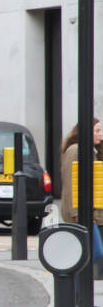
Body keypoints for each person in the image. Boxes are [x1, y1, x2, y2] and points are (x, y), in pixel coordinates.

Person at [61, 119, 103, 286]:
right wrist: (77, 213)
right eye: (97, 130)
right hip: (82, 213)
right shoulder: (75, 150)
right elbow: (73, 182)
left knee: (88, 254)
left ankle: (82, 298)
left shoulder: (88, 150)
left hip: (89, 212)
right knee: (90, 253)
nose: (100, 134)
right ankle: (75, 294)